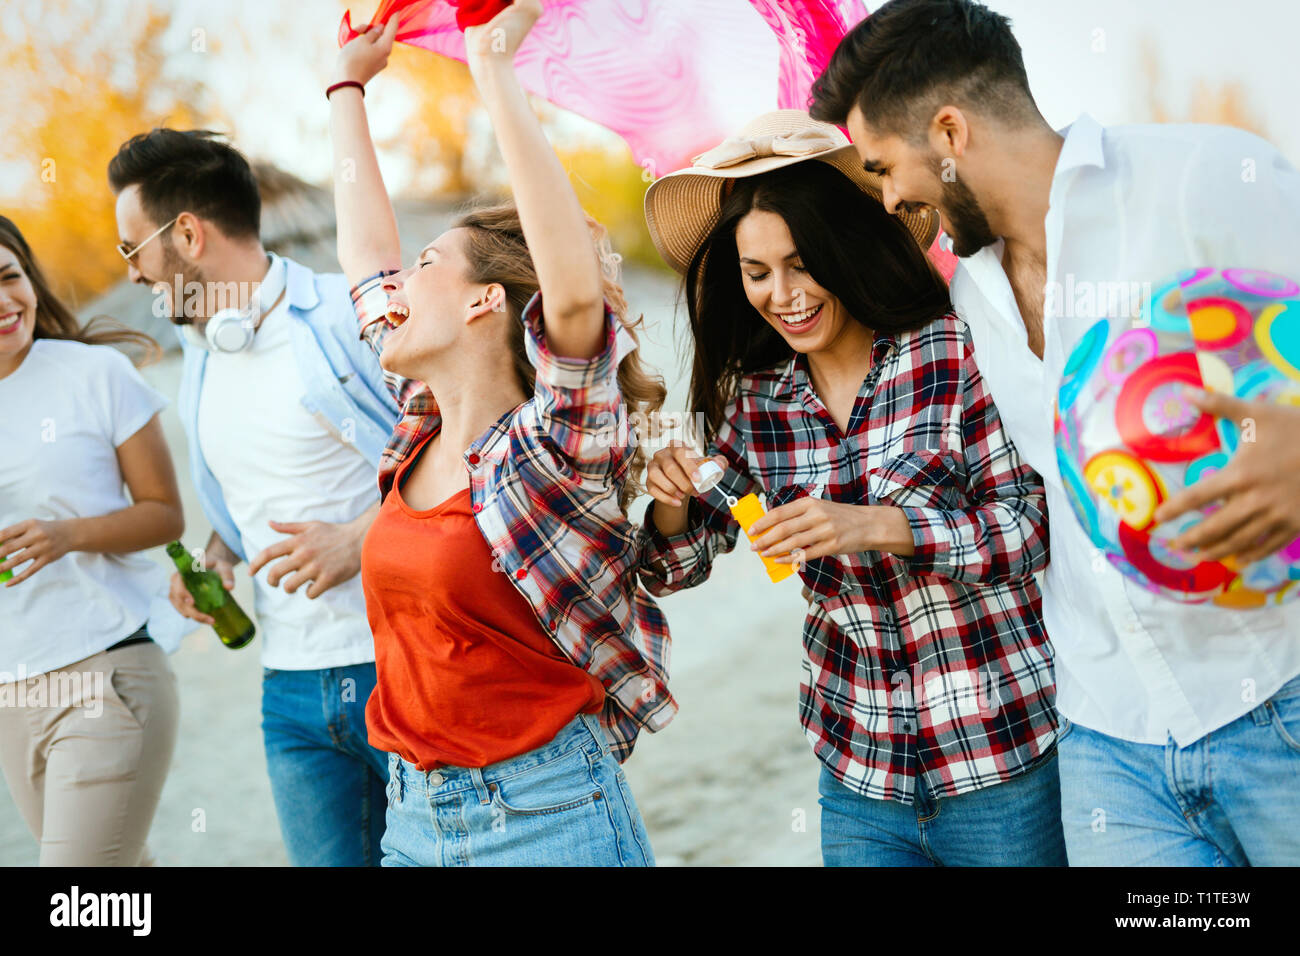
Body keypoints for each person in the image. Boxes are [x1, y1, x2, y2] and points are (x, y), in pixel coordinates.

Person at [808, 0, 1300, 865]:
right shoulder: (967, 299)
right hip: (1108, 743)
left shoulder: (1202, 176)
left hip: (1277, 702)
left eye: (886, 167)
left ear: (949, 133)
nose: (890, 200)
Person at [637, 110, 1064, 866]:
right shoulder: (756, 402)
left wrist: (878, 526)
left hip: (1002, 762)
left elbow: (1032, 530)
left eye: (803, 262)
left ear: (845, 247)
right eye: (758, 272)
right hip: (860, 773)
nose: (784, 295)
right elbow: (674, 566)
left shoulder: (950, 349)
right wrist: (671, 492)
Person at [329, 3, 671, 867]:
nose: (396, 282)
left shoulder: (551, 450)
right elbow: (363, 258)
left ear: (486, 302)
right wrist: (345, 86)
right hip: (412, 818)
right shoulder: (417, 423)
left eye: (426, 266)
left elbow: (574, 298)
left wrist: (492, 66)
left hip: (546, 819)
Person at [108, 129, 401, 866]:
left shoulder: (345, 316)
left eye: (130, 248)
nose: (135, 275)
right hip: (291, 696)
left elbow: (460, 448)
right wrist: (216, 554)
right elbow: (254, 495)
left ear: (187, 234)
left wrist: (358, 537)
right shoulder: (204, 357)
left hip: (401, 666)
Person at [0, 215, 182, 866]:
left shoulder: (91, 374)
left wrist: (64, 535)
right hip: (11, 693)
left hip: (105, 672)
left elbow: (164, 513)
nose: (3, 303)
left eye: (10, 278)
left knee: (76, 896)